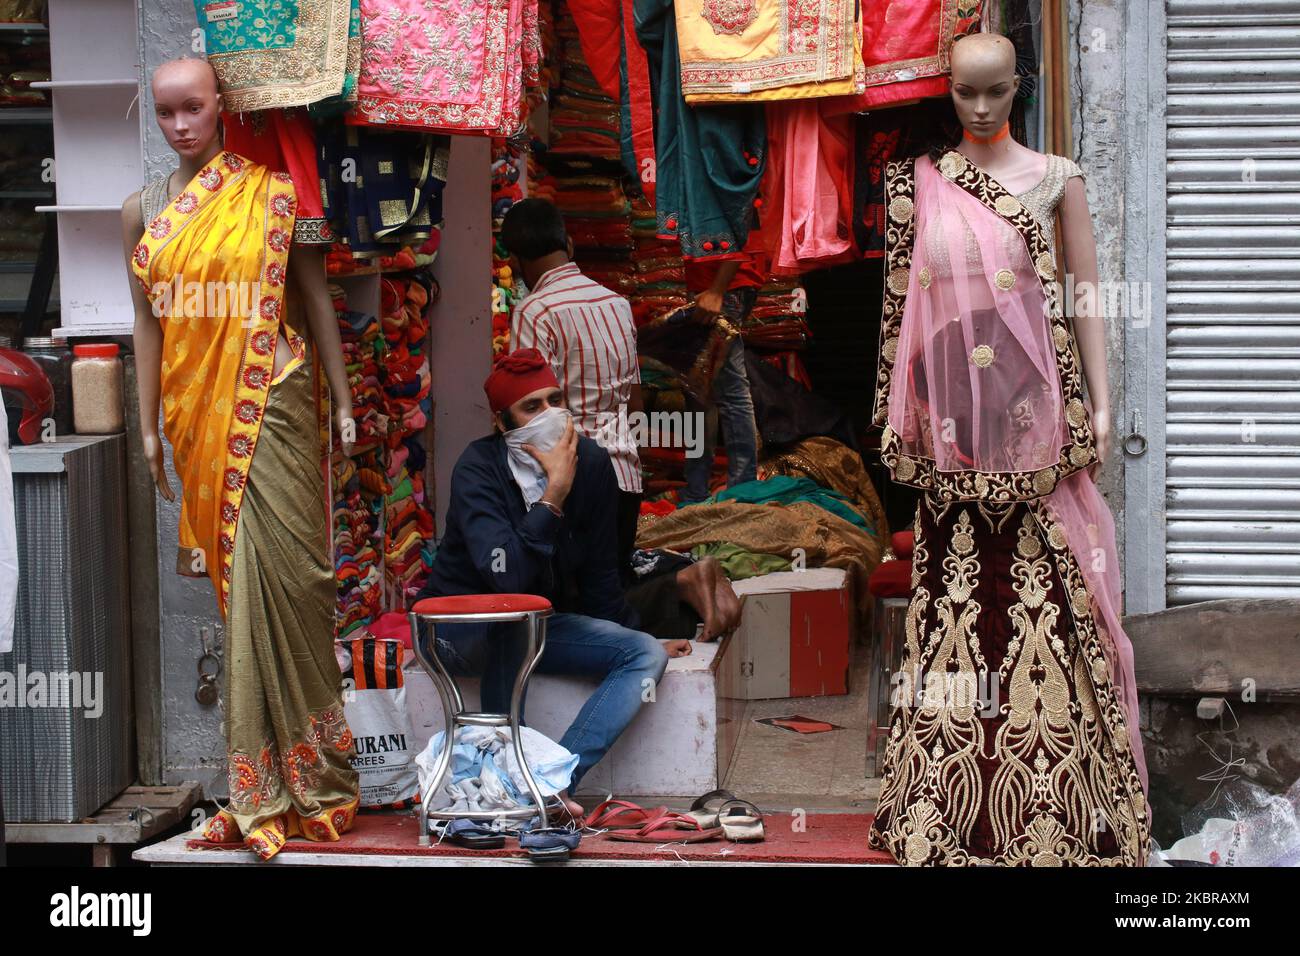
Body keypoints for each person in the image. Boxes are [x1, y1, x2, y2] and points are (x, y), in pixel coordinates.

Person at [866, 33, 1150, 866]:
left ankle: (1060, 808)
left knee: (1045, 604)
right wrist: (908, 417)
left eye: (996, 90)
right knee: (957, 605)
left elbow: (1084, 297)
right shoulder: (918, 183)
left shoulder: (1058, 179)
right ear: (949, 91)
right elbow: (903, 310)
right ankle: (946, 806)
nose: (983, 107)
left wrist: (1102, 404)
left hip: (1033, 422)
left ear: (1019, 86)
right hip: (950, 430)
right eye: (967, 92)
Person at [123, 58, 359, 861]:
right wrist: (147, 427)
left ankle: (318, 778)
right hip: (197, 419)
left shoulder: (274, 194)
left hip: (275, 403)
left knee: (297, 584)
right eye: (165, 113)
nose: (180, 126)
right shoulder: (140, 212)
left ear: (222, 104)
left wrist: (345, 401)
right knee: (241, 602)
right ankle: (255, 788)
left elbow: (317, 300)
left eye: (192, 108)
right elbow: (148, 323)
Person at [415, 349, 691, 817]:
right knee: (513, 625)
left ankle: (548, 784)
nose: (550, 415)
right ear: (502, 424)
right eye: (531, 407)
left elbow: (602, 572)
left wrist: (623, 635)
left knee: (643, 654)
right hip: (457, 628)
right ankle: (506, 774)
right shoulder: (478, 469)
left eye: (555, 400)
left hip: (537, 624)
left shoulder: (593, 463)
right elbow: (508, 577)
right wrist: (553, 495)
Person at [501, 198, 644, 572]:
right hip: (626, 479)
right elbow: (635, 405)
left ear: (514, 261)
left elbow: (529, 413)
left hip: (571, 485)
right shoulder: (617, 304)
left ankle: (682, 584)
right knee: (611, 590)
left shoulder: (535, 311)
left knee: (568, 598)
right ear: (569, 245)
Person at [680, 230, 764, 503]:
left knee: (729, 391)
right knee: (698, 389)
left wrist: (717, 289)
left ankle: (742, 488)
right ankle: (698, 486)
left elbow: (738, 226)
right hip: (715, 284)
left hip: (722, 287)